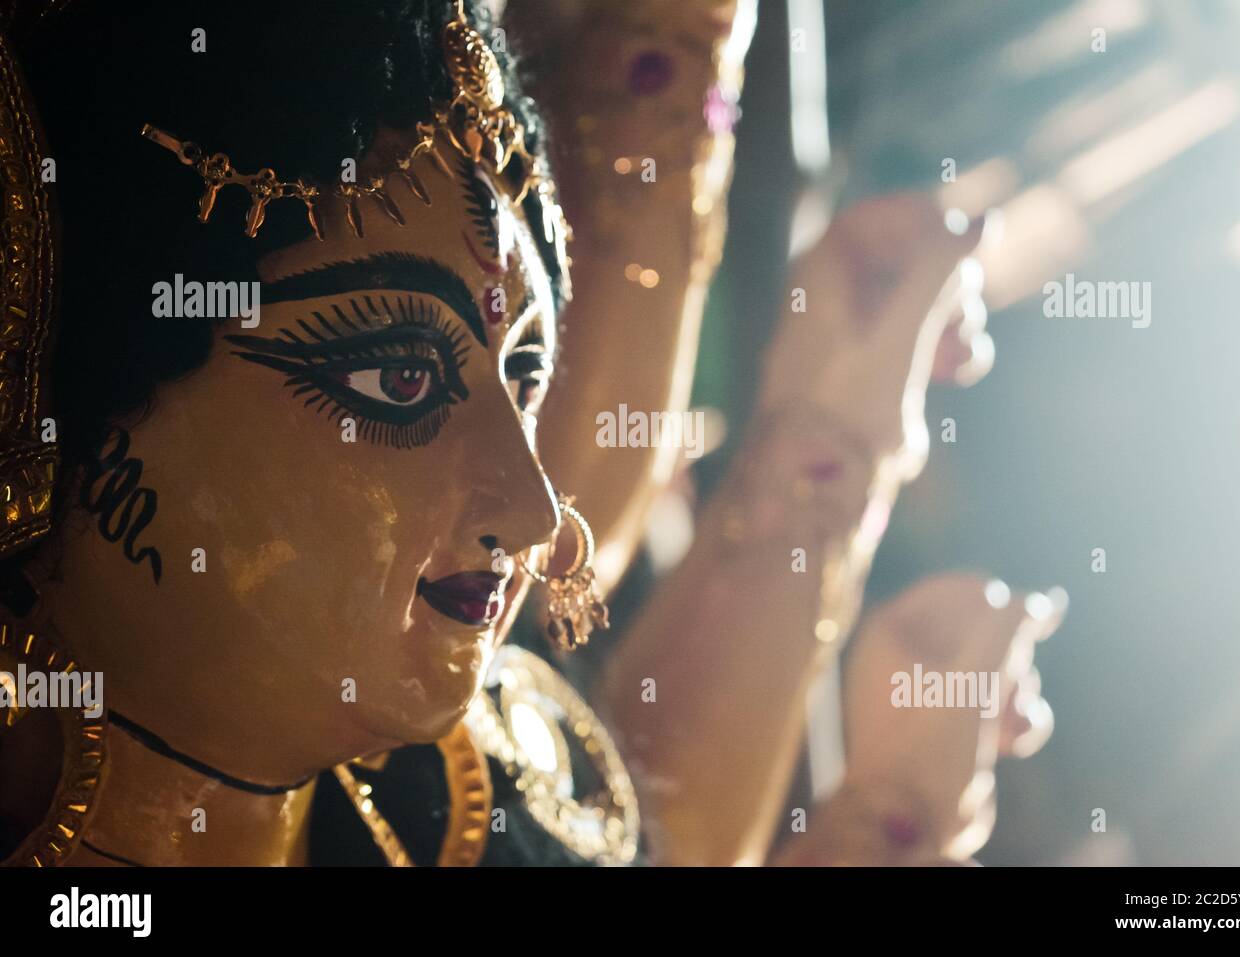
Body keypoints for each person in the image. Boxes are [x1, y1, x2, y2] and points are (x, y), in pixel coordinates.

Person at [0, 0, 1056, 868]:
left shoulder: (470, 796)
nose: (538, 510)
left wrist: (839, 443)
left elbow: (672, 835)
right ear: (41, 383)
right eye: (399, 379)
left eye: (527, 378)